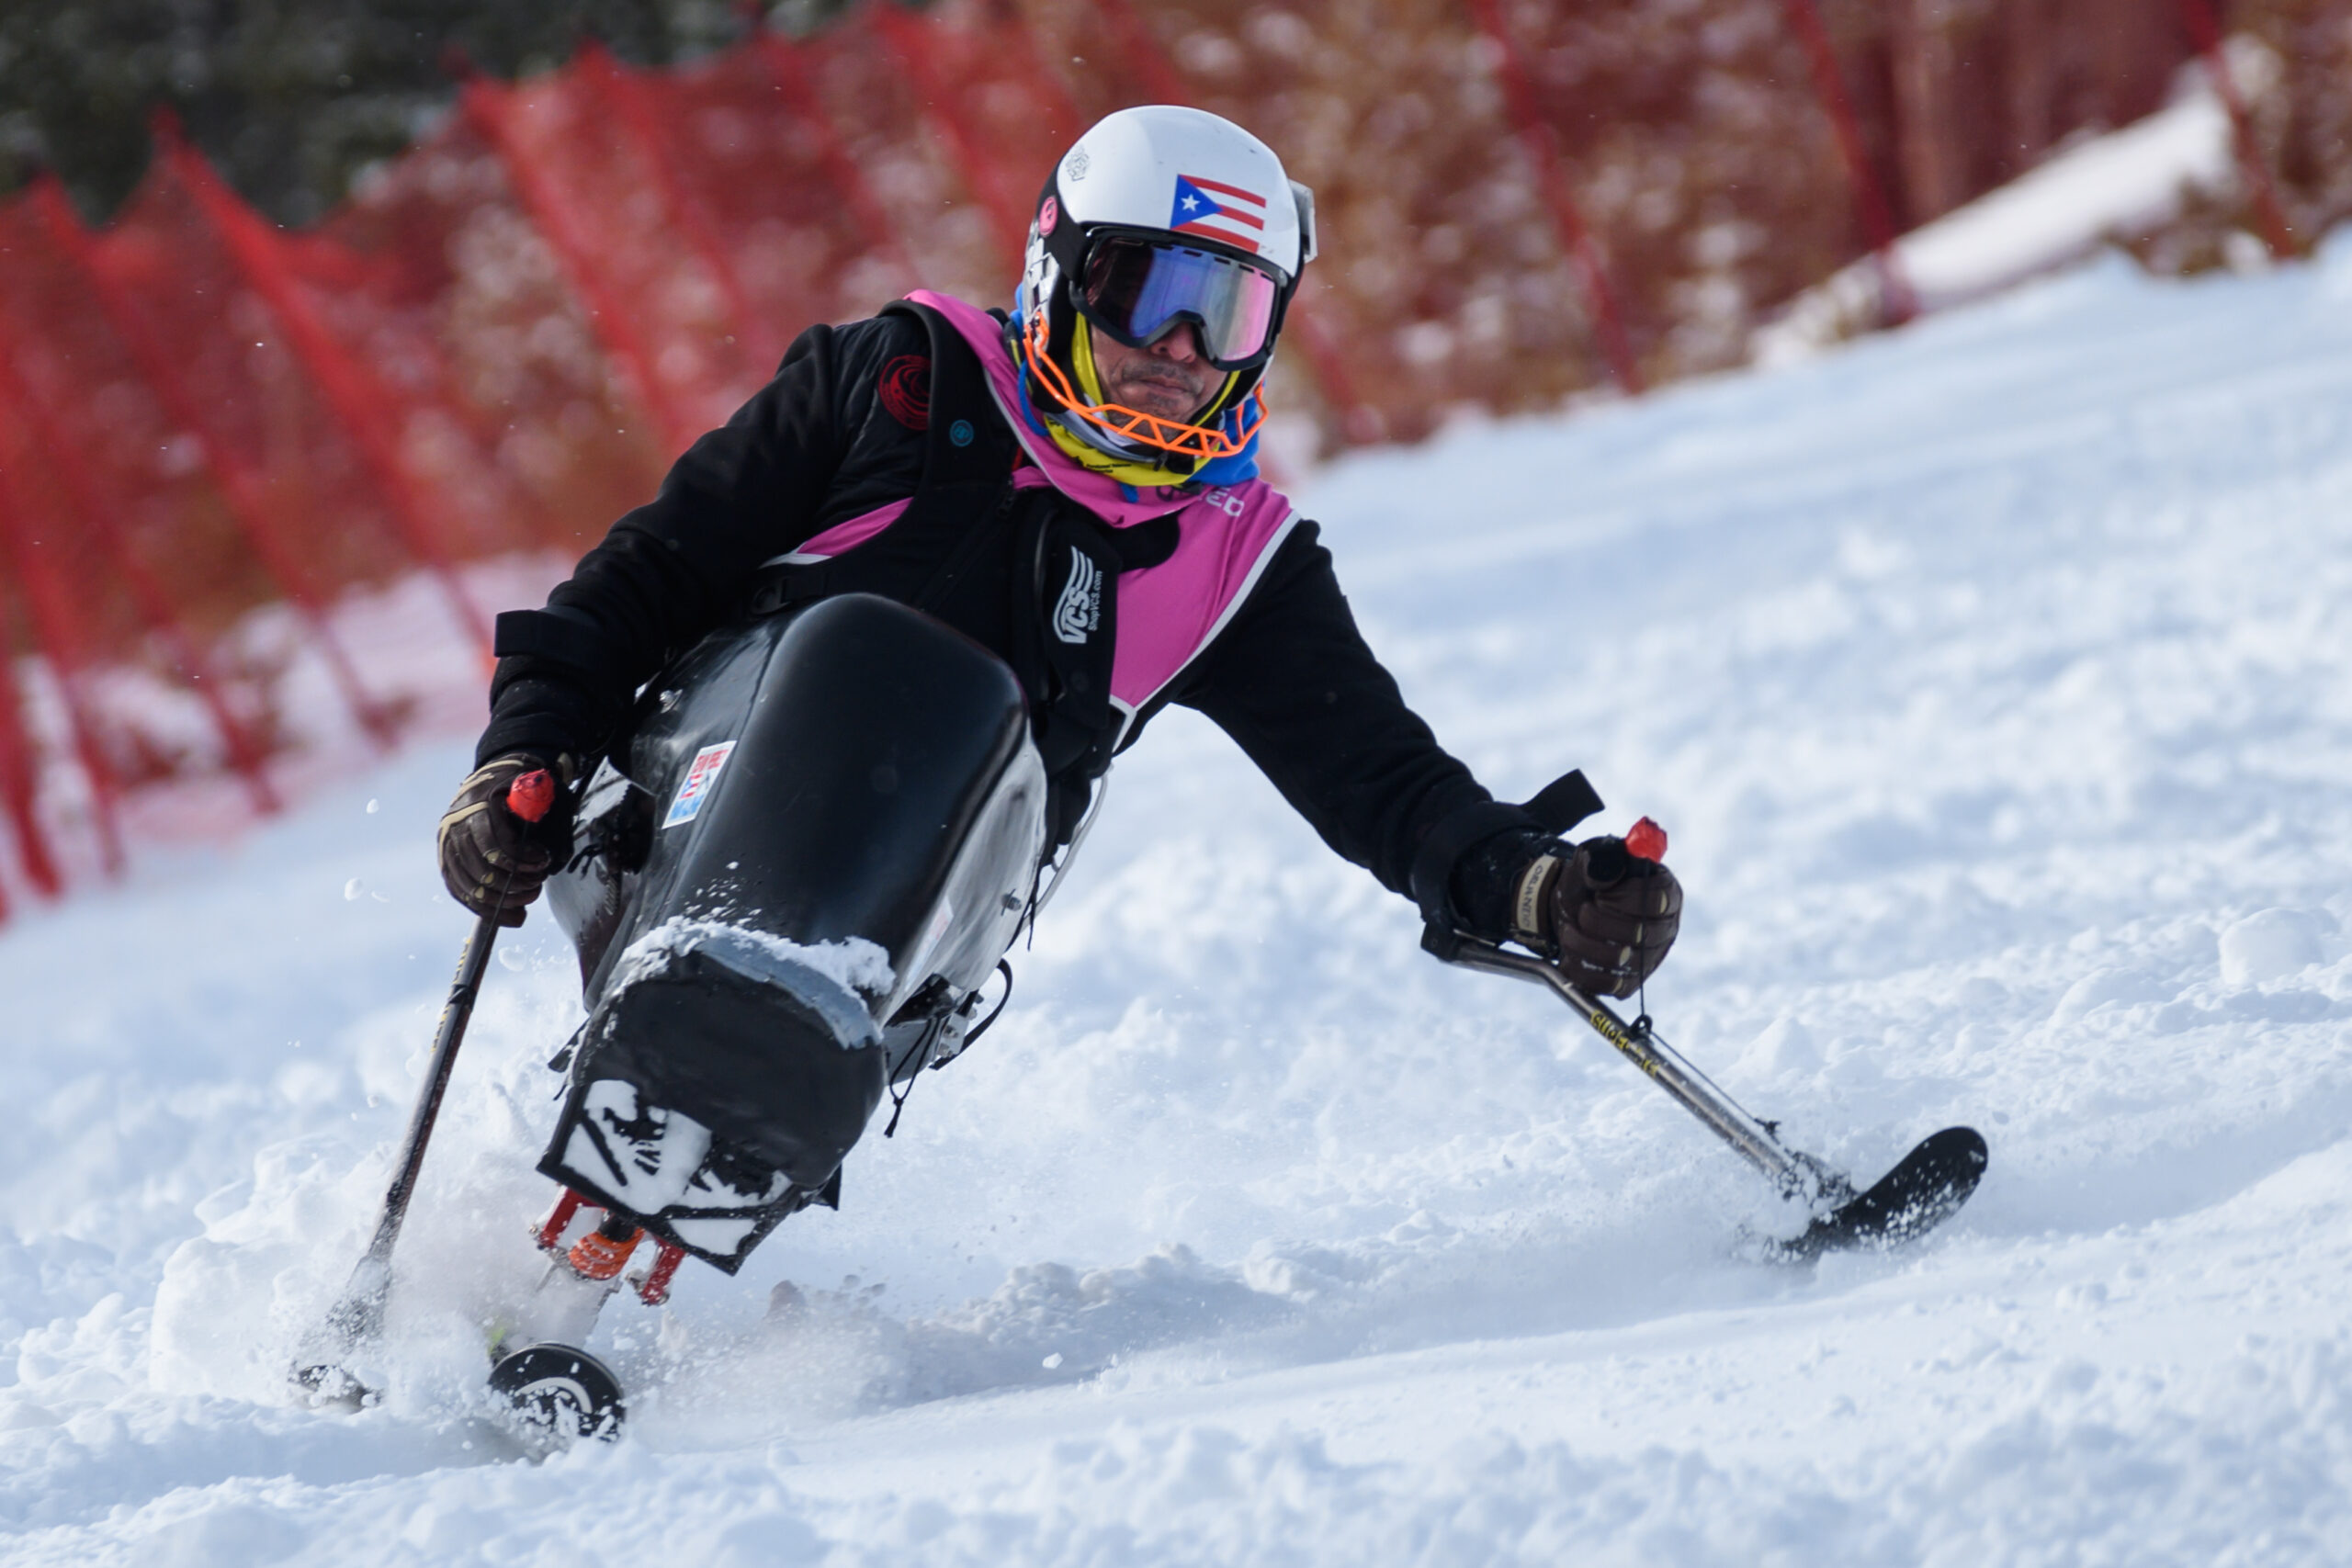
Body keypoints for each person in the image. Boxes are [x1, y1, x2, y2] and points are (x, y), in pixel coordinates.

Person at [435, 105, 1680, 1292]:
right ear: (1058, 275)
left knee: (982, 740)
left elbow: (1390, 790)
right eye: (1147, 295)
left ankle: (619, 1229)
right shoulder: (899, 386)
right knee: (880, 658)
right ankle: (680, 1042)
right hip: (687, 809)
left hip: (906, 948)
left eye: (1227, 314)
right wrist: (518, 766)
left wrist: (1543, 887)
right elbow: (637, 583)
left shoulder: (1233, 559)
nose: (1180, 353)